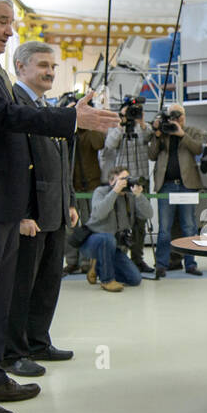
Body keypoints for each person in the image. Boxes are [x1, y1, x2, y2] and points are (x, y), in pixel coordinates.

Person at [0, 0, 118, 413]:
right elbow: (0, 117)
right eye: (3, 22)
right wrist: (70, 120)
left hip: (10, 202)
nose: (10, 31)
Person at [4, 41, 78, 374]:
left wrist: (71, 201)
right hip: (30, 214)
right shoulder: (13, 106)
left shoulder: (47, 107)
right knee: (21, 288)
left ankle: (37, 341)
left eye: (53, 67)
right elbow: (10, 163)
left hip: (55, 211)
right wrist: (19, 212)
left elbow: (63, 162)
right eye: (42, 66)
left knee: (48, 283)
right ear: (21, 67)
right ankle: (13, 351)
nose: (50, 72)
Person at [147, 103, 204, 277]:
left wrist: (181, 134)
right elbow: (152, 154)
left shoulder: (192, 130)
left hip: (187, 185)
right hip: (167, 185)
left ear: (184, 116)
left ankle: (191, 264)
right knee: (164, 228)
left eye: (178, 114)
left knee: (189, 227)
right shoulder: (163, 133)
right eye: (172, 115)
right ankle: (162, 264)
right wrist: (157, 134)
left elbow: (198, 148)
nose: (176, 118)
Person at [82, 166, 151, 290]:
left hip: (114, 247)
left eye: (128, 179)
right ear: (111, 181)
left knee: (135, 279)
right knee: (106, 238)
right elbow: (98, 214)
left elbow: (148, 214)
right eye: (122, 179)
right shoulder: (101, 191)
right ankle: (107, 280)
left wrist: (139, 196)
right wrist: (115, 191)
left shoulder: (129, 197)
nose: (126, 182)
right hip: (93, 241)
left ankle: (98, 266)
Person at [103, 100, 153, 270]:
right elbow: (110, 144)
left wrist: (142, 122)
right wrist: (121, 125)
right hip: (122, 181)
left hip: (141, 178)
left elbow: (150, 137)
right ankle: (120, 257)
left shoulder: (142, 127)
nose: (130, 116)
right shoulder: (117, 128)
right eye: (126, 114)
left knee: (140, 221)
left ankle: (138, 259)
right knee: (121, 219)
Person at [66, 126, 107, 274]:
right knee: (70, 227)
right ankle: (71, 261)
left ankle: (86, 261)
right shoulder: (68, 131)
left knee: (89, 225)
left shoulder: (91, 133)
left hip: (91, 185)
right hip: (71, 186)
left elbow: (99, 144)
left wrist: (89, 125)